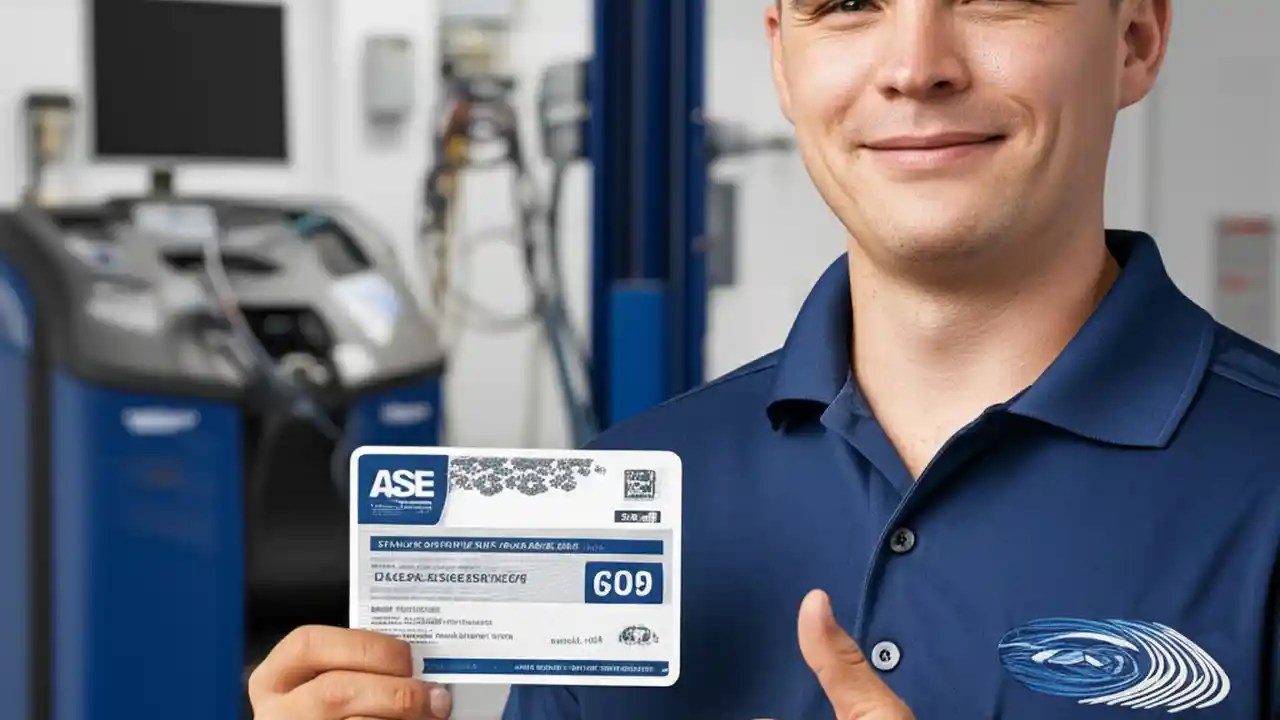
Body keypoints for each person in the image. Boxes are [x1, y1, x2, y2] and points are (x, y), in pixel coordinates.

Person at [249, 0, 1280, 717]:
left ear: (1136, 39)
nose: (915, 63)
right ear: (783, 59)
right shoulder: (632, 485)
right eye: (845, 3)